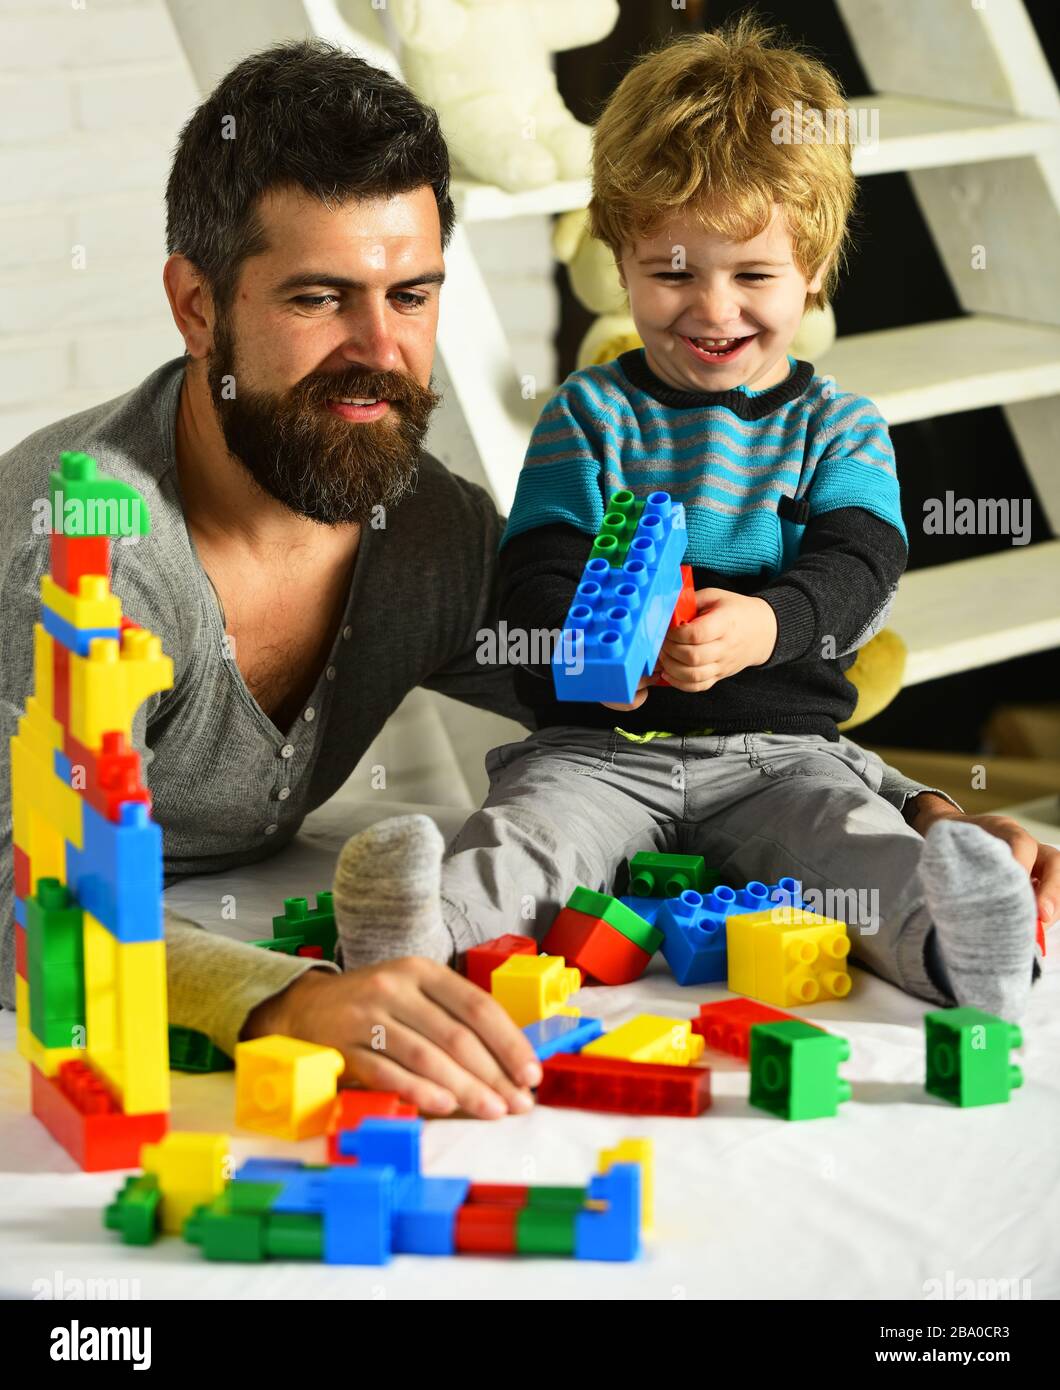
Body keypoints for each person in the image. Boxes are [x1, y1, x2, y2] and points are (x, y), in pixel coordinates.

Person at [332, 16, 1057, 1022]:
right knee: (527, 836)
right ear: (620, 262)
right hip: (599, 749)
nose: (712, 310)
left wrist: (765, 623)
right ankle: (410, 931)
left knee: (856, 847)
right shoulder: (589, 415)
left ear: (812, 270)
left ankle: (959, 943)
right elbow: (535, 570)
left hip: (779, 755)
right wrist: (583, 647)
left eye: (751, 275)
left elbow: (861, 566)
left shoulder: (835, 426)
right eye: (672, 273)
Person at [0, 40, 544, 1119]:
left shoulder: (425, 526)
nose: (380, 350)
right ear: (198, 308)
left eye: (412, 294)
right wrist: (286, 1003)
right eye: (318, 299)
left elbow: (645, 711)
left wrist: (909, 812)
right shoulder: (90, 558)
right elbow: (26, 908)